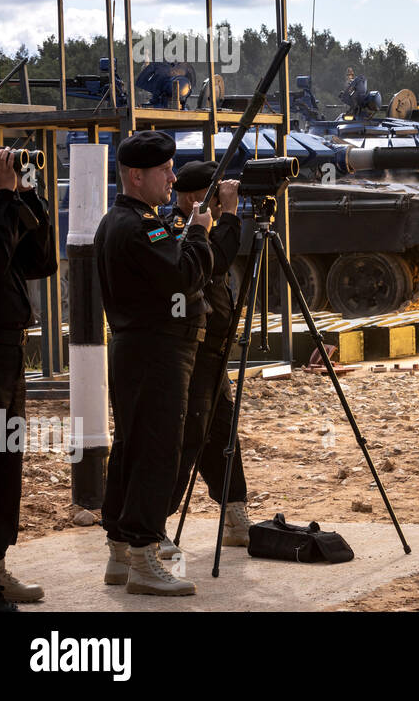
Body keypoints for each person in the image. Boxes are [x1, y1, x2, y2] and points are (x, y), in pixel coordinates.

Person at [94, 131, 212, 597]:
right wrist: (200, 234)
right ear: (136, 175)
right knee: (156, 450)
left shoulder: (119, 220)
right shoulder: (144, 226)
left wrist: (182, 233)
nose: (173, 177)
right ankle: (144, 555)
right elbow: (182, 277)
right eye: (164, 170)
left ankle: (120, 551)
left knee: (131, 445)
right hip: (157, 351)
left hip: (135, 349)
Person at [0, 124, 56, 611]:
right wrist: (5, 200)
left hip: (8, 356)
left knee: (5, 468)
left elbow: (40, 262)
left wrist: (27, 197)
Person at [163, 161, 253, 549]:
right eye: (215, 197)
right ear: (193, 197)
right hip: (191, 351)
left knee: (221, 432)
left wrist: (225, 216)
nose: (221, 204)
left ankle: (234, 511)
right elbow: (214, 262)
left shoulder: (203, 227)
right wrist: (229, 216)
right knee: (186, 437)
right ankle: (155, 524)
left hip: (214, 351)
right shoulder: (174, 229)